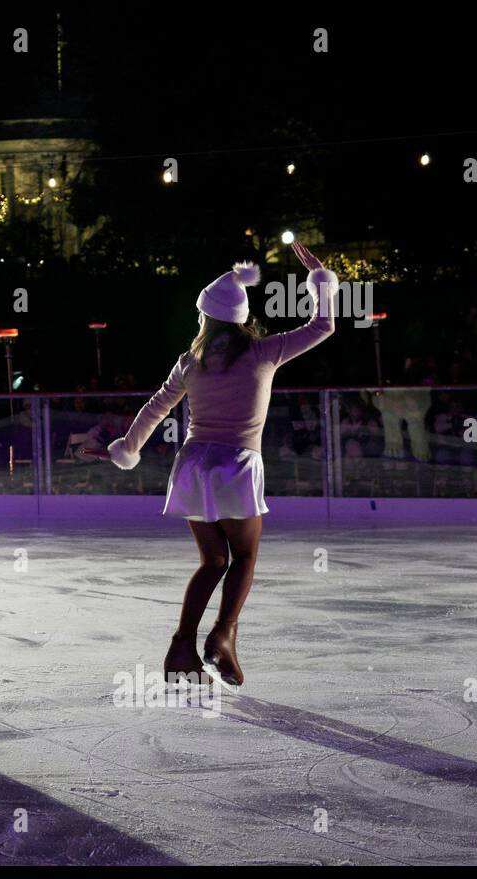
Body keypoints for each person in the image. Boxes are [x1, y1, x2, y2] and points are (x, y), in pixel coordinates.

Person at [107, 242, 336, 688]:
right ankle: (223, 637)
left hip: (192, 467)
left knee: (213, 560)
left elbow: (156, 407)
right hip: (236, 464)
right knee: (245, 555)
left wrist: (127, 449)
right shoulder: (265, 352)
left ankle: (181, 648)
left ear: (207, 319)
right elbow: (322, 326)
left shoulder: (190, 362)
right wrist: (320, 281)